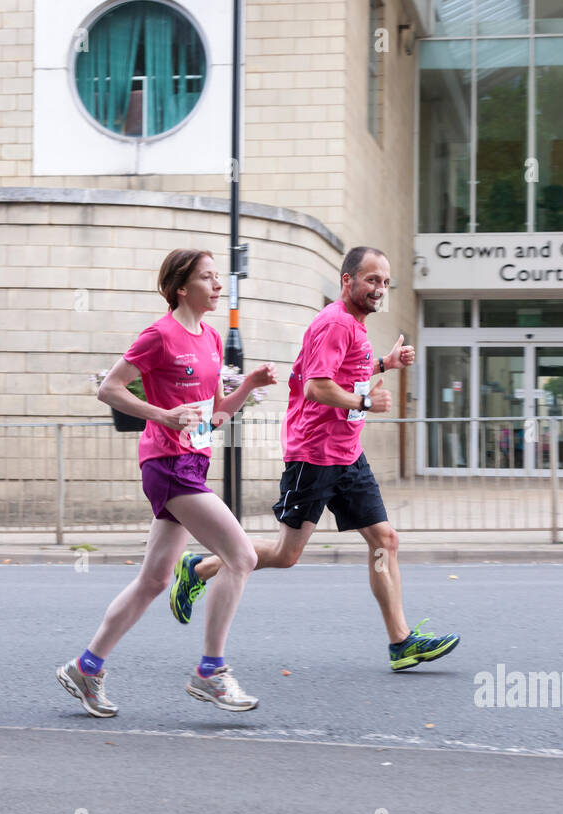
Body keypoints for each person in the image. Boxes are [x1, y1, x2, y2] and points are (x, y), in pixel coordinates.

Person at [169, 246, 462, 671]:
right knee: (288, 555)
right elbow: (317, 387)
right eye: (371, 280)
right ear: (348, 281)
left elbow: (345, 371)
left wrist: (385, 362)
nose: (379, 288)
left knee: (385, 541)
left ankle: (401, 642)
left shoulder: (355, 328)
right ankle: (198, 568)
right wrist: (365, 398)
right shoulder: (334, 323)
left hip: (347, 454)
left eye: (384, 281)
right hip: (315, 454)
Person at [57, 249, 276, 717]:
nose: (218, 286)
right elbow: (109, 388)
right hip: (167, 462)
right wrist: (163, 415)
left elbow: (215, 416)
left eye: (219, 278)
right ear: (181, 287)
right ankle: (210, 672)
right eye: (208, 278)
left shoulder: (213, 338)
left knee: (154, 580)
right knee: (242, 556)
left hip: (192, 461)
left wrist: (250, 385)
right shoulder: (160, 335)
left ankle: (86, 666)